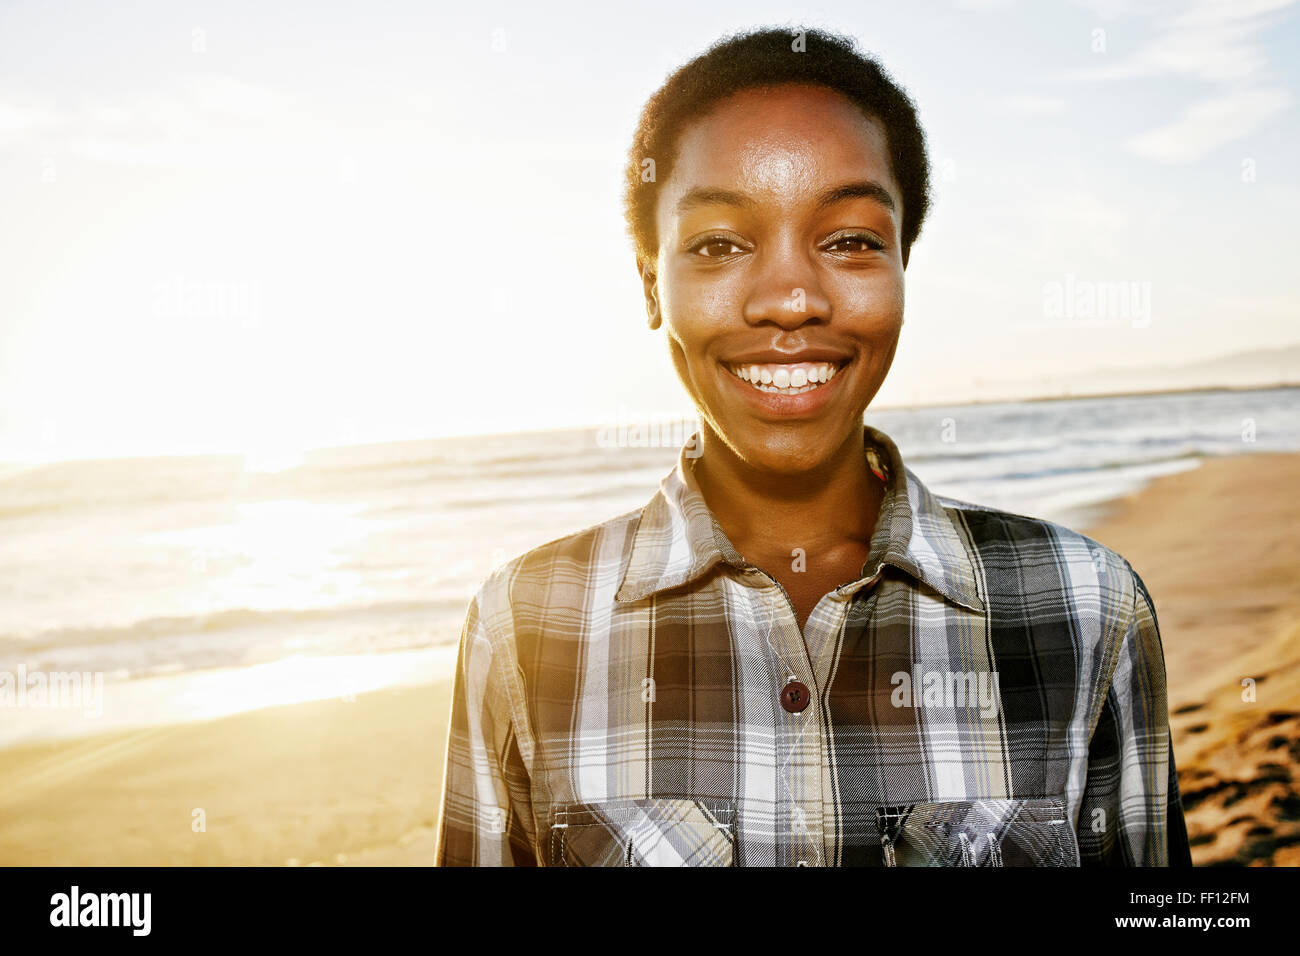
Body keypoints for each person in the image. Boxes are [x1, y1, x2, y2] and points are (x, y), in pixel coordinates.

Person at [434, 25, 1192, 867]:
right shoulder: (526, 625)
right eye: (720, 244)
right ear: (653, 283)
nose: (791, 298)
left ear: (903, 264)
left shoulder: (1088, 606)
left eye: (850, 241)